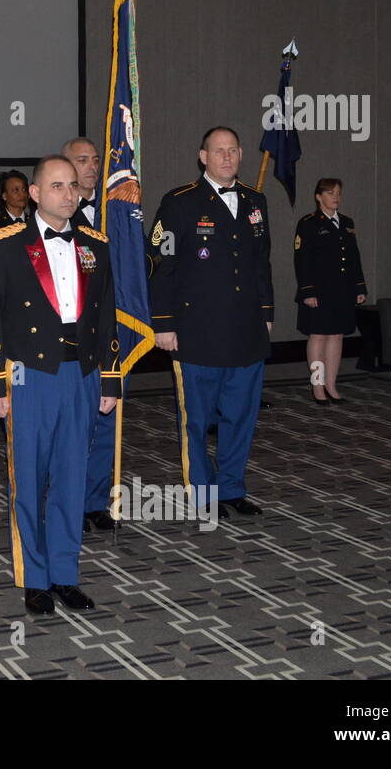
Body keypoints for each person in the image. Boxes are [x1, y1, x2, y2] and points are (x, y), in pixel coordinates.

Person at [0, 155, 120, 615]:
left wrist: (109, 378)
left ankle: (64, 574)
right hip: (28, 376)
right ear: (35, 193)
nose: (68, 194)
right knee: (30, 480)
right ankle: (34, 578)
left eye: (73, 185)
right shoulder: (4, 243)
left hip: (81, 374)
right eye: (57, 186)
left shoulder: (96, 243)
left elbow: (106, 314)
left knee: (72, 480)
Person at [150, 127, 273, 518]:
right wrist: (164, 323)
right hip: (196, 331)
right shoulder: (179, 202)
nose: (227, 158)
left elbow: (261, 263)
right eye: (218, 151)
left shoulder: (256, 200)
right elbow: (160, 265)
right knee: (198, 420)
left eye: (233, 150)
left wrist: (267, 314)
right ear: (203, 156)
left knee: (240, 415)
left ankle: (232, 488)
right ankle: (202, 495)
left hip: (246, 330)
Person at [64, 137, 115, 530]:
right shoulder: (56, 215)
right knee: (71, 430)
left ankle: (95, 500)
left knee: (105, 422)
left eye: (95, 160)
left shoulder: (118, 209)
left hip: (110, 332)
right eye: (82, 160)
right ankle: (68, 502)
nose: (91, 167)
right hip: (69, 340)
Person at [294, 177, 367, 403]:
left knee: (337, 335)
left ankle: (331, 384)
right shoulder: (308, 223)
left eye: (338, 193)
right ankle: (317, 385)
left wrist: (359, 286)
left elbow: (354, 257)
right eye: (330, 193)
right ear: (318, 197)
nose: (335, 197)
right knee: (318, 335)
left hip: (342, 291)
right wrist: (307, 291)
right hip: (319, 291)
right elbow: (302, 260)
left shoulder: (347, 222)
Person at [62, 137, 102, 227]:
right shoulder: (57, 208)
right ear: (65, 165)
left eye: (96, 161)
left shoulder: (112, 204)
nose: (93, 167)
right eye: (82, 160)